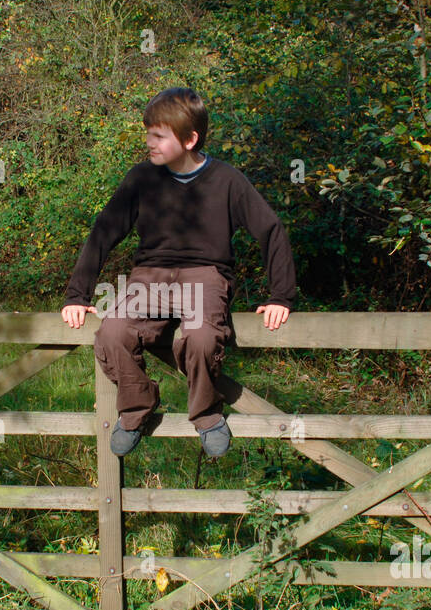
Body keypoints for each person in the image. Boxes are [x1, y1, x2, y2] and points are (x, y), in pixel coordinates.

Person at [60, 87, 296, 458]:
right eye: (148, 132)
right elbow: (104, 231)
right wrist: (78, 295)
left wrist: (280, 295)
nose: (149, 142)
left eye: (159, 135)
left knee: (201, 338)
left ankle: (206, 415)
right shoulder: (141, 179)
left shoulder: (227, 181)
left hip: (205, 275)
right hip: (149, 276)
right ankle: (137, 407)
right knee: (112, 332)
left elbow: (271, 229)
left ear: (190, 139)